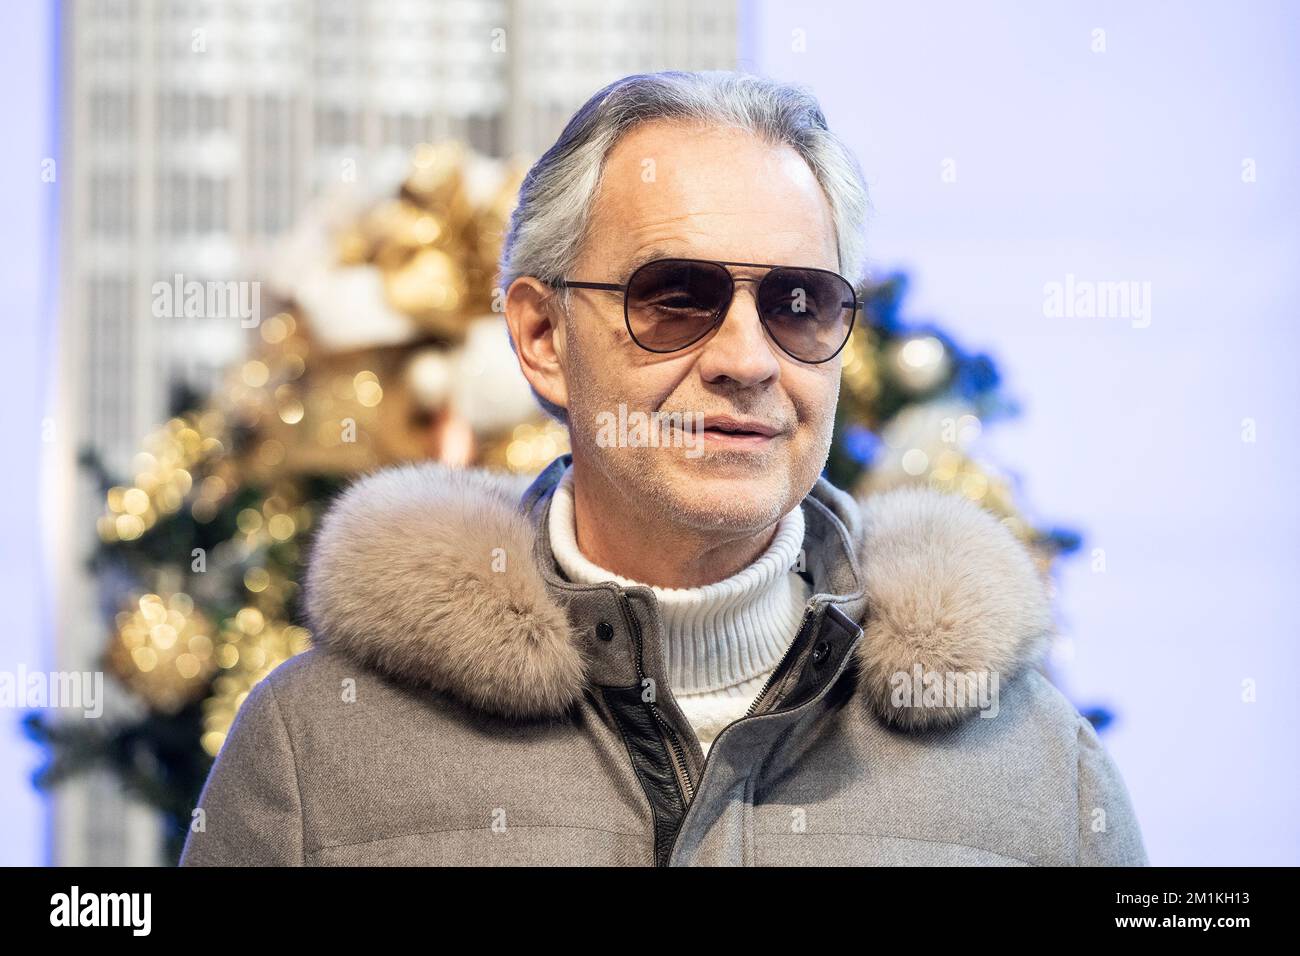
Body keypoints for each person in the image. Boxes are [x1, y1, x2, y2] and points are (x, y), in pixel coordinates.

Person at [181, 70, 1146, 866]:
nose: (747, 360)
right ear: (543, 335)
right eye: (676, 296)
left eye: (799, 303)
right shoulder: (319, 747)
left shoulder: (1032, 760)